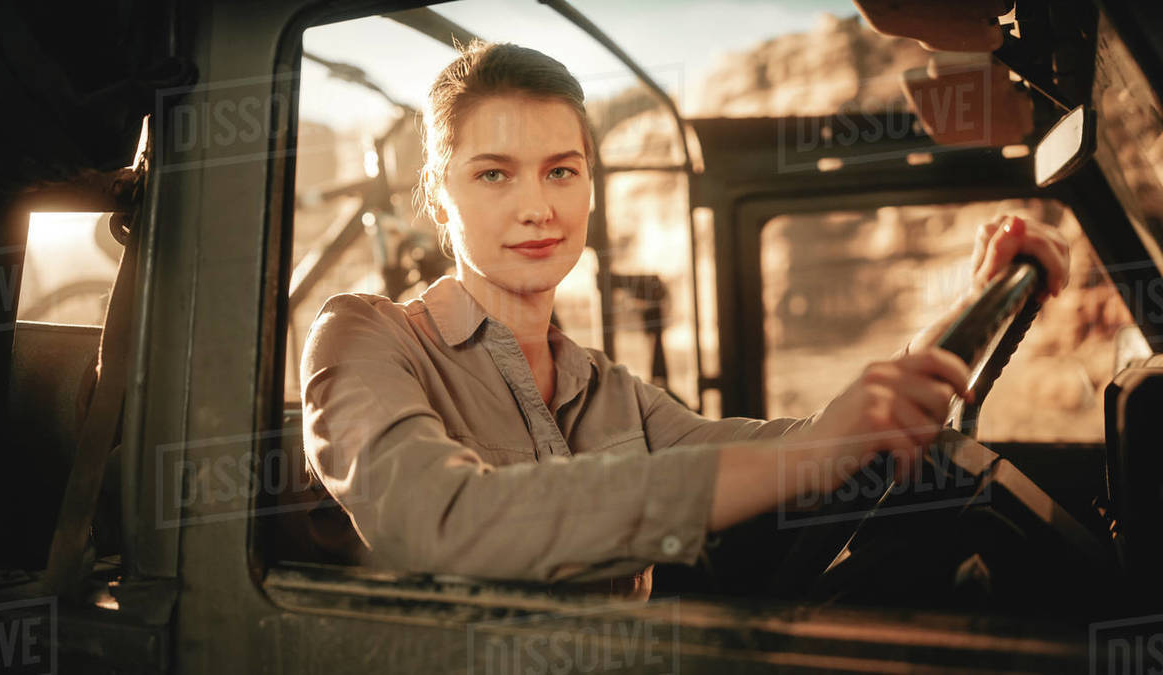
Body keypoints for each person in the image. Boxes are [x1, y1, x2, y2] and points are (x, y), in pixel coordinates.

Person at [299, 40, 1070, 599]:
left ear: (590, 188)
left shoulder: (608, 390)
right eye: (493, 174)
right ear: (439, 198)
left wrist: (959, 317)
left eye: (561, 171)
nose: (538, 207)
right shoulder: (365, 337)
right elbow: (439, 520)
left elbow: (813, 445)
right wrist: (832, 440)